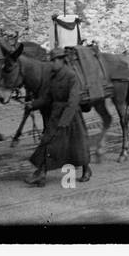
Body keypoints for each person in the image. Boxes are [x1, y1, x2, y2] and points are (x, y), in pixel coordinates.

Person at [24, 52, 91, 187]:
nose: (52, 63)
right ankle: (41, 173)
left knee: (77, 145)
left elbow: (73, 101)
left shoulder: (71, 76)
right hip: (55, 114)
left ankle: (86, 169)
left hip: (71, 116)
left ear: (61, 60)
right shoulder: (52, 77)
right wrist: (33, 104)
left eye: (54, 61)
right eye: (51, 60)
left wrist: (65, 121)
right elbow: (47, 97)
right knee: (47, 141)